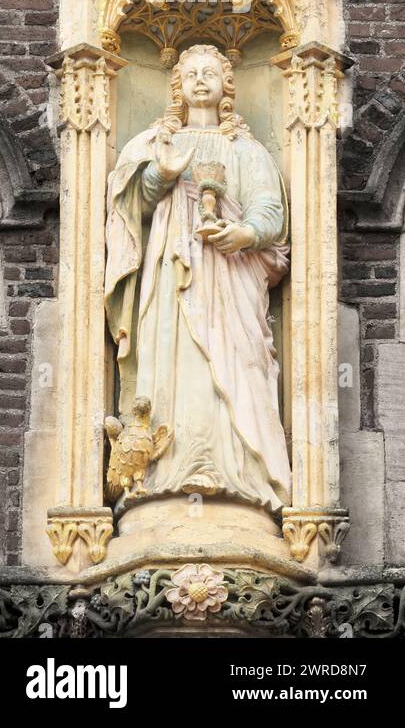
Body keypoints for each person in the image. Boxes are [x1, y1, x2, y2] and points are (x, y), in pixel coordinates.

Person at [105, 43, 291, 512]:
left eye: (211, 72)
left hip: (228, 275)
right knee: (172, 357)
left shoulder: (243, 150)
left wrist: (244, 232)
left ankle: (239, 472)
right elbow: (132, 207)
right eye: (191, 74)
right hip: (171, 272)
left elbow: (269, 208)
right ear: (179, 88)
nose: (201, 80)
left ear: (227, 85)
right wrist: (159, 177)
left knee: (233, 362)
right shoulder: (158, 144)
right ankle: (168, 471)